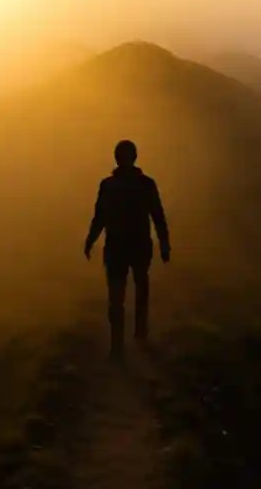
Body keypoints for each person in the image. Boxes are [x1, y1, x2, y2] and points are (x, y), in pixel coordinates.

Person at [84, 140, 170, 360]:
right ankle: (137, 334)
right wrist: (164, 244)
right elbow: (158, 216)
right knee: (138, 289)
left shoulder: (109, 185)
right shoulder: (145, 184)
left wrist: (91, 240)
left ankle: (118, 344)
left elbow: (99, 217)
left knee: (117, 296)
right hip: (137, 246)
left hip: (118, 247)